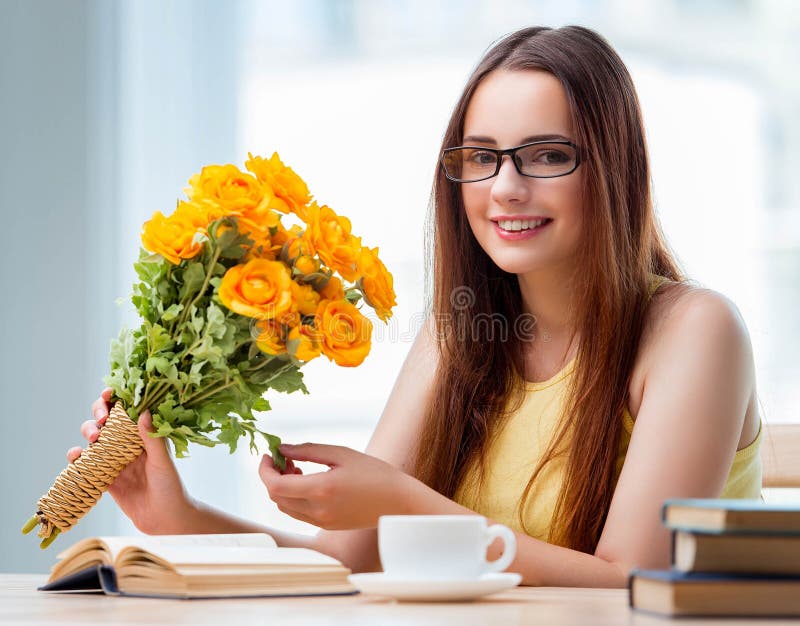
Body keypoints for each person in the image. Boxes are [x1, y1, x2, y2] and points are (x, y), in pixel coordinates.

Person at [69, 25, 762, 588]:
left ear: (617, 169)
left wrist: (400, 501)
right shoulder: (458, 331)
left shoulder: (695, 331)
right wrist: (179, 517)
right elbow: (343, 560)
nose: (506, 188)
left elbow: (634, 581)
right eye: (481, 156)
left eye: (547, 155)